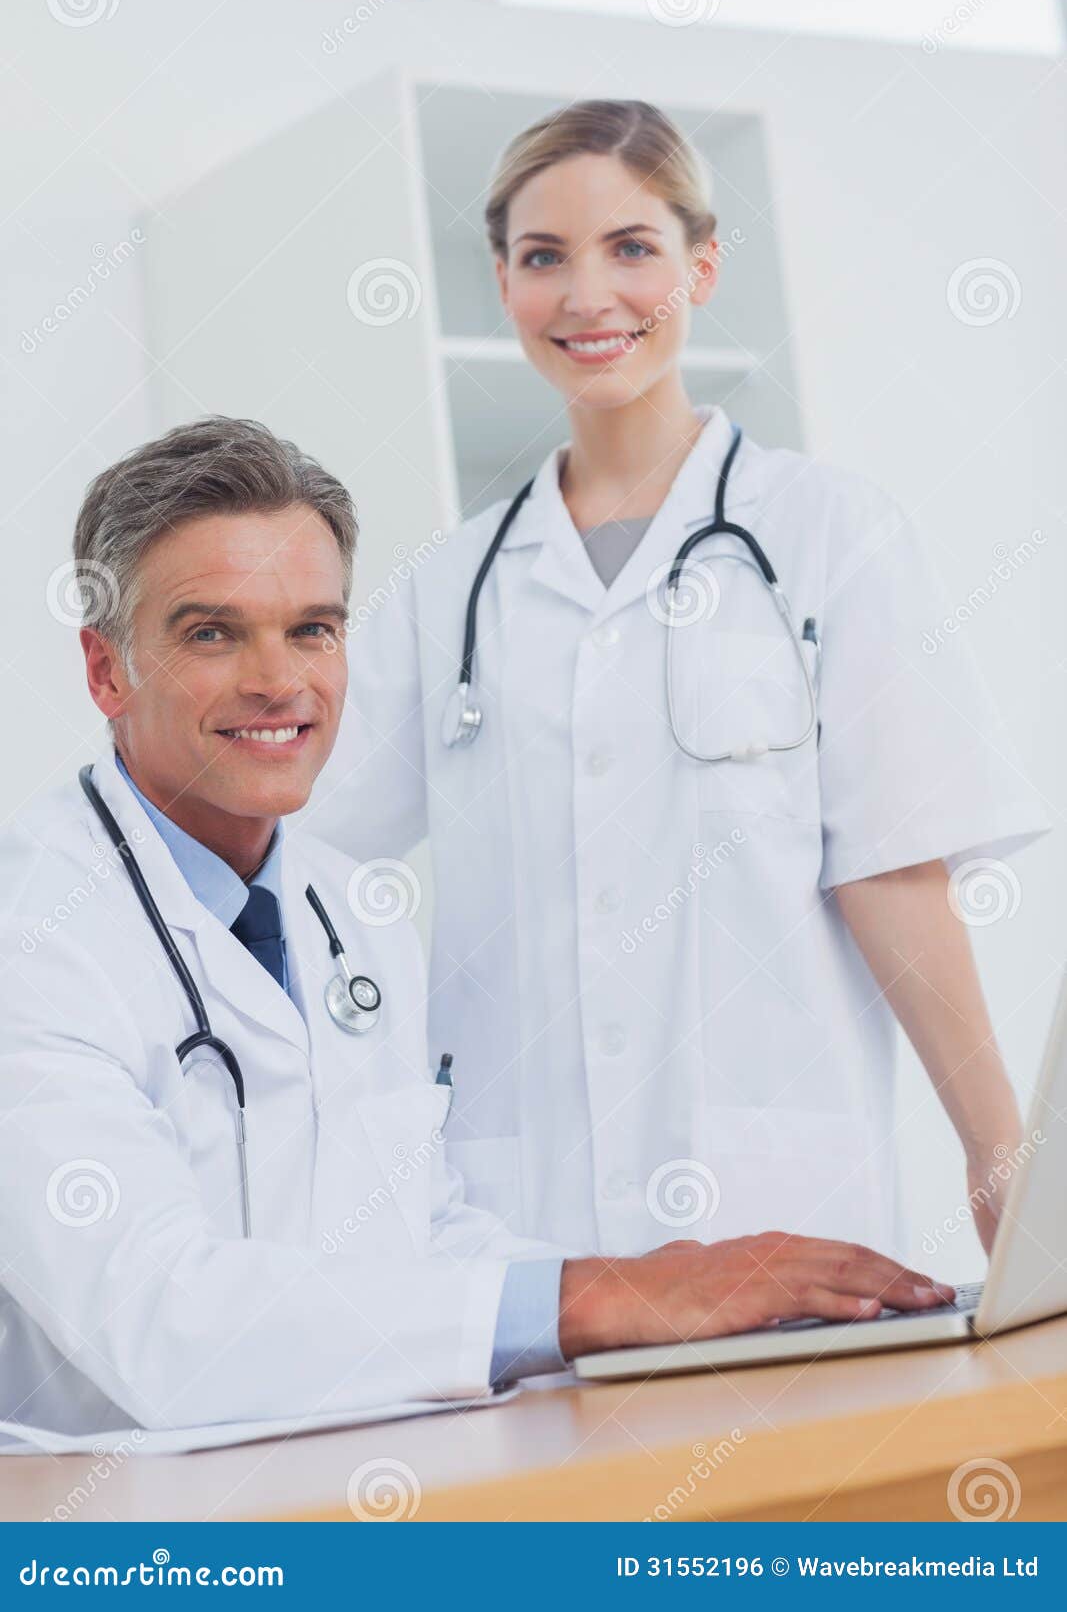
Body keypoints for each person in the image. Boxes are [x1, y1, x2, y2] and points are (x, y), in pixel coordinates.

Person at [0, 417, 952, 1446]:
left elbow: (417, 1228)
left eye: (312, 628)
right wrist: (582, 1298)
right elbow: (156, 1318)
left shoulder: (349, 919)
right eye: (212, 633)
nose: (279, 681)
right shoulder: (38, 927)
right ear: (105, 671)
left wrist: (655, 1295)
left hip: (356, 1483)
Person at [303, 99, 1047, 1261]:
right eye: (542, 257)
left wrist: (996, 1147)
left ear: (699, 264)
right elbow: (309, 857)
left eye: (631, 248)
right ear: (502, 284)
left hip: (777, 1203)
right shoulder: (445, 589)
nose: (586, 296)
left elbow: (890, 870)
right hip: (517, 1233)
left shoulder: (825, 534)